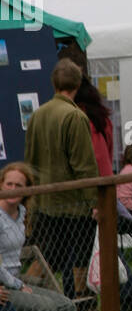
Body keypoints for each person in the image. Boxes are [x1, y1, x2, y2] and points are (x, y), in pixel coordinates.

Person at [24, 59, 98, 298]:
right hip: (75, 204)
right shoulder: (74, 117)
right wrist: (95, 203)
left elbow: (30, 159)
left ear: (54, 82)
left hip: (46, 201)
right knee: (82, 254)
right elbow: (84, 166)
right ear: (77, 83)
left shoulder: (37, 115)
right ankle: (82, 303)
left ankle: (25, 291)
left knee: (49, 255)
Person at [0, 162, 75, 311]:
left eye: (19, 186)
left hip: (16, 280)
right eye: (9, 184)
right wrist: (16, 284)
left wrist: (20, 282)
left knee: (66, 306)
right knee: (45, 309)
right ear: (1, 185)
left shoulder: (22, 213)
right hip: (4, 287)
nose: (13, 190)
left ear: (28, 190)